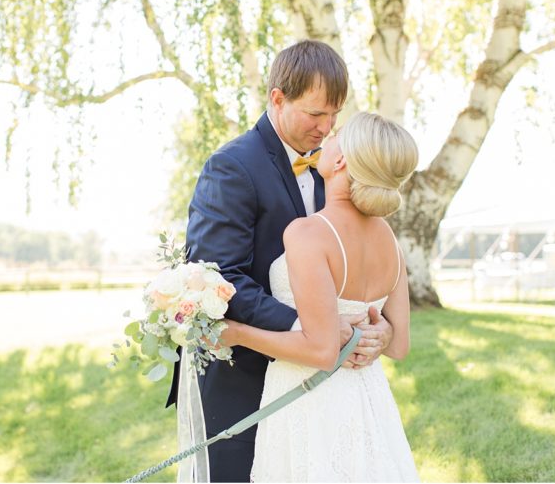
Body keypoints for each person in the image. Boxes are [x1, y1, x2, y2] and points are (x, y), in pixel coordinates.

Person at [166, 40, 394, 482]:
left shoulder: (336, 170)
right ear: (277, 98)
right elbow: (221, 279)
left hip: (325, 389)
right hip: (244, 375)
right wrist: (310, 328)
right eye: (315, 114)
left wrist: (380, 325)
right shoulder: (231, 167)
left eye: (335, 114)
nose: (327, 128)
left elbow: (355, 264)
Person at [221, 112, 420, 482]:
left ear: (341, 159)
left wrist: (236, 333)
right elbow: (399, 346)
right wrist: (382, 334)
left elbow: (321, 351)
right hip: (370, 401)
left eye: (336, 136)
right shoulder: (391, 242)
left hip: (310, 405)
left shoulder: (307, 233)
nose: (325, 138)